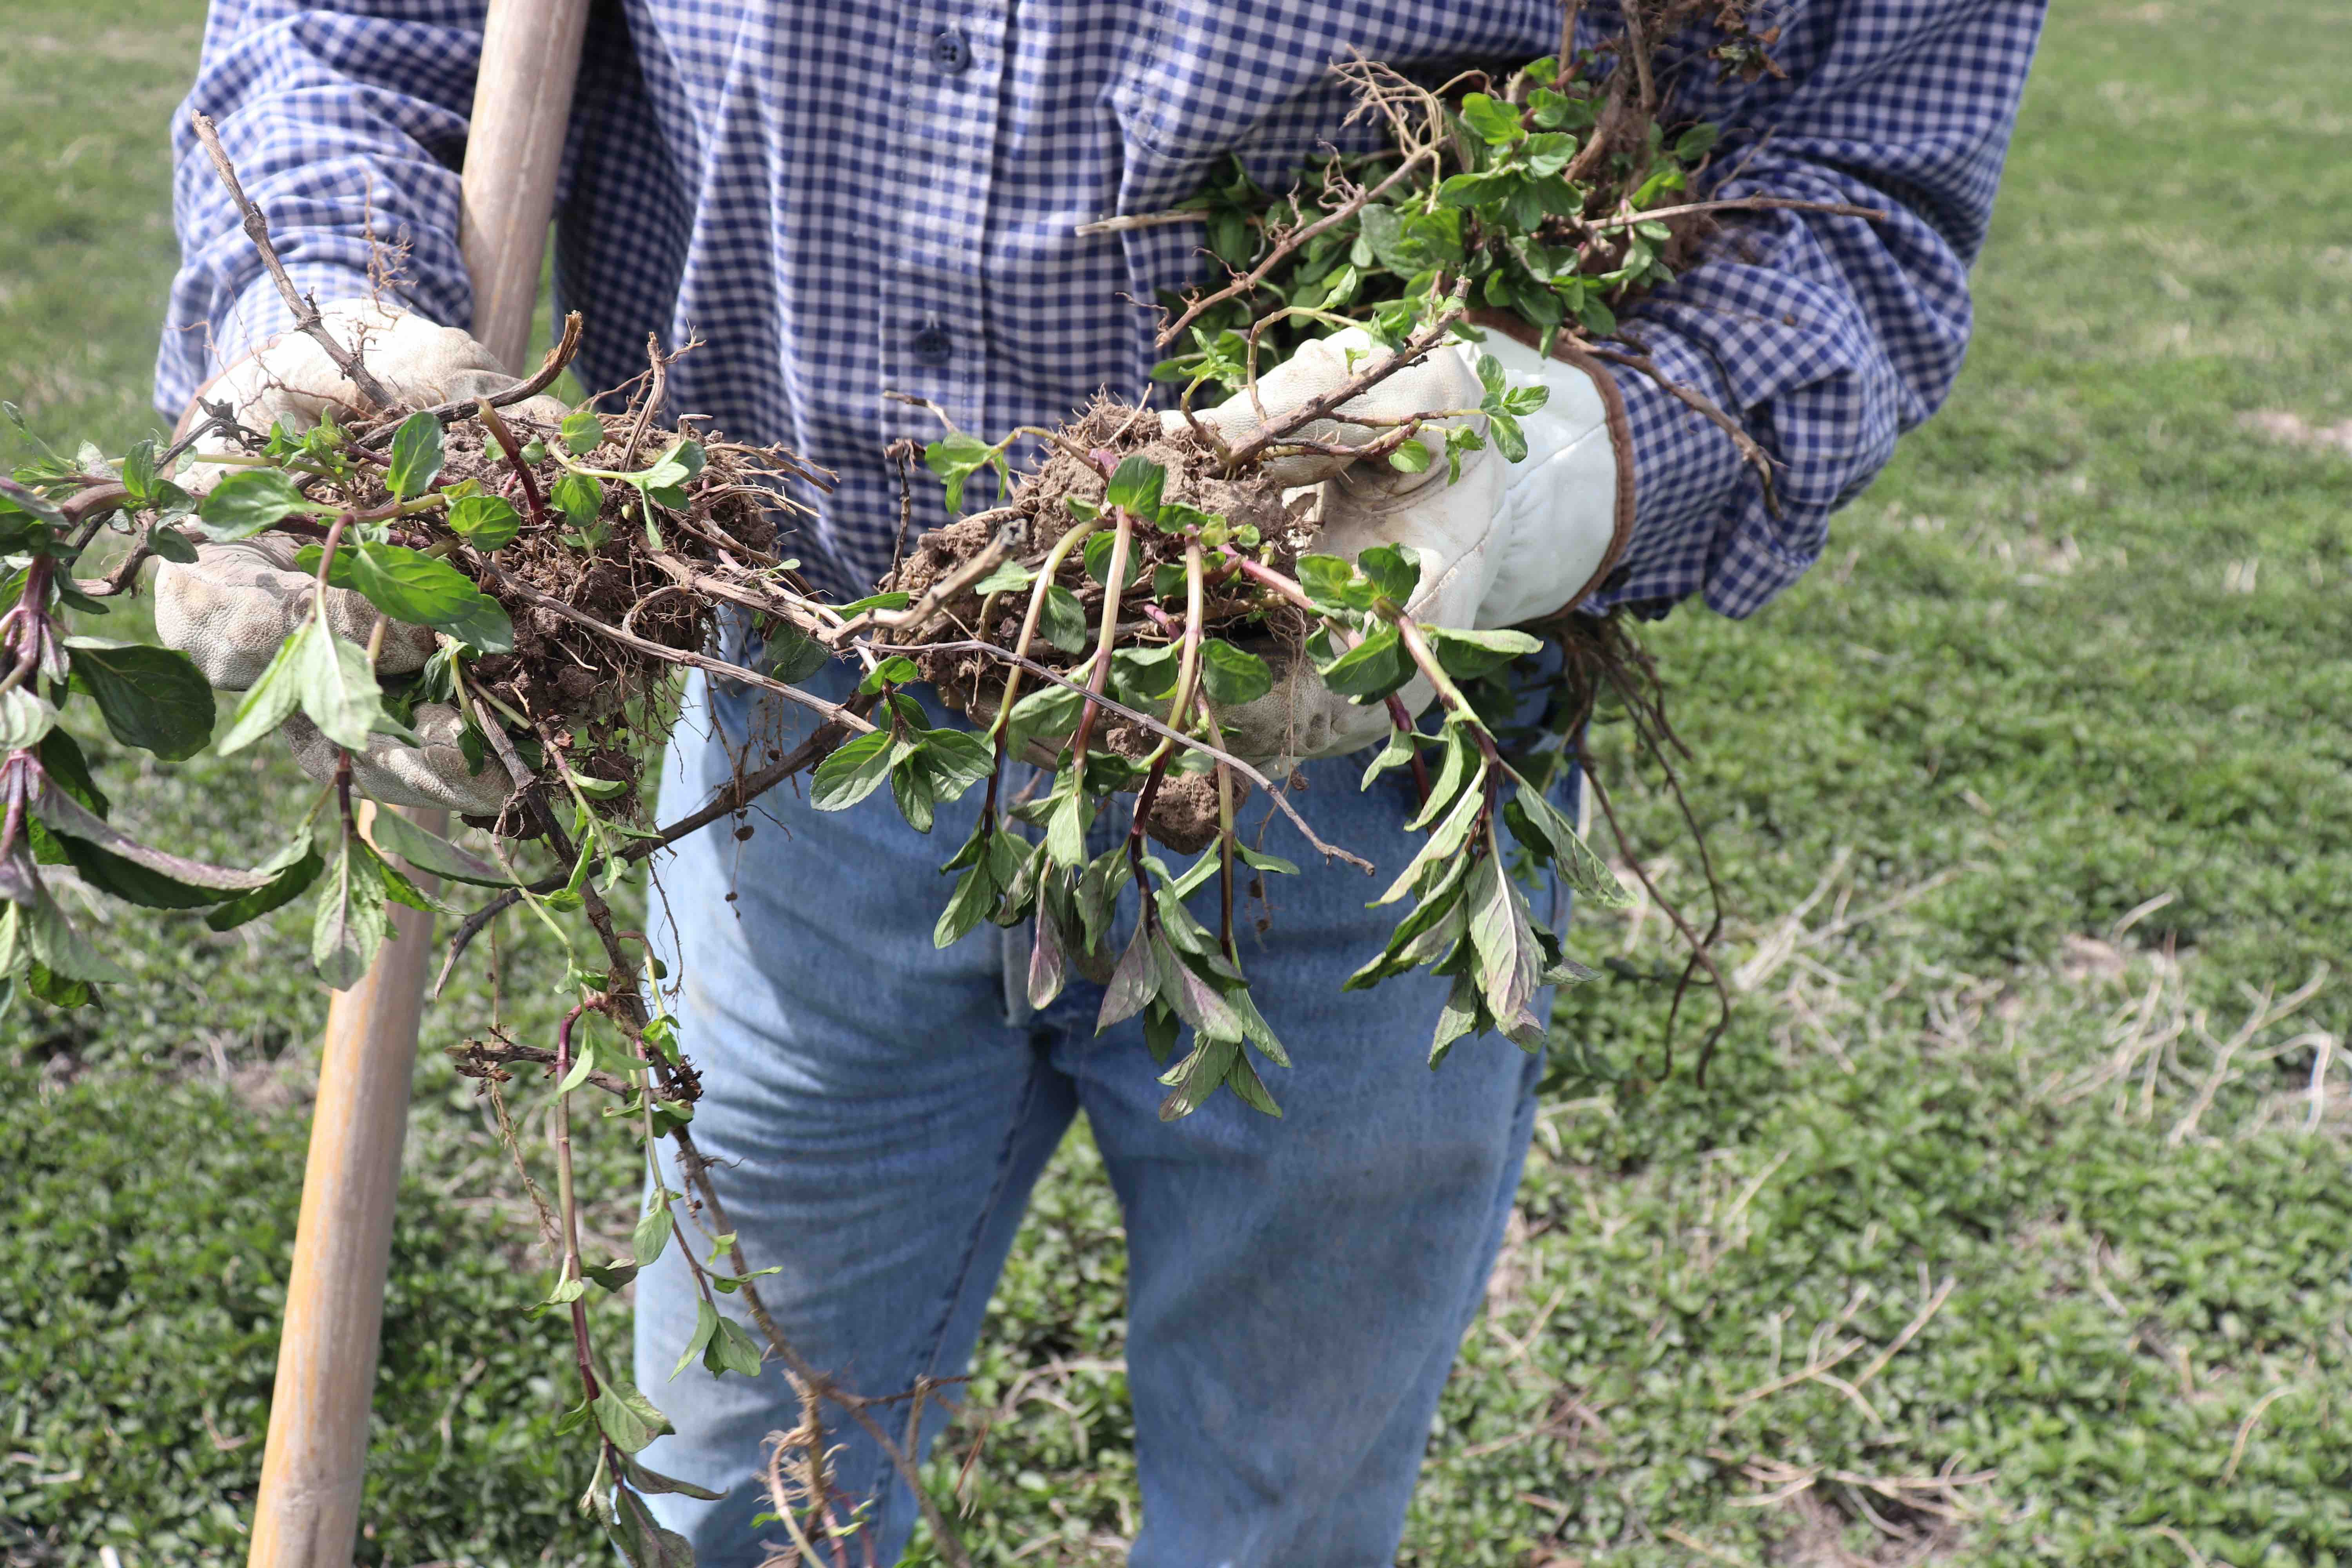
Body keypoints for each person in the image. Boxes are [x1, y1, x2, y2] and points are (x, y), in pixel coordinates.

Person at [156, 2, 2045, 1561]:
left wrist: (1580, 461)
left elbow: (1857, 182)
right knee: (735, 1471)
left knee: (1289, 1500)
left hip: (1366, 746)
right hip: (803, 728)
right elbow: (348, 39)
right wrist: (310, 326)